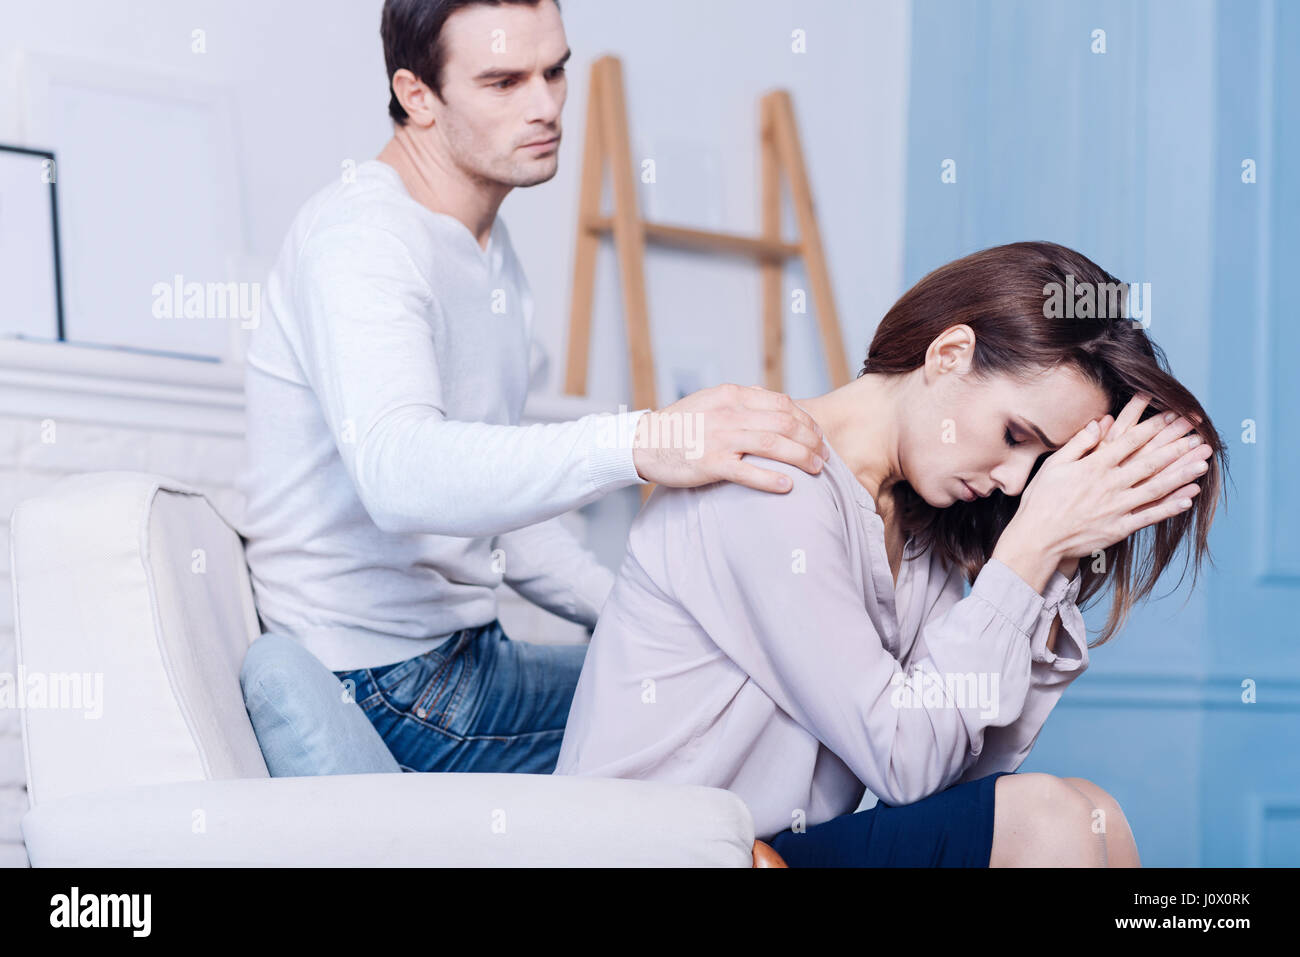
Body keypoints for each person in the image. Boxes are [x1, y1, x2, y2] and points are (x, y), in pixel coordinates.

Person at [236, 0, 830, 776]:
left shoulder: (488, 249)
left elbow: (502, 521)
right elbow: (400, 475)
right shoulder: (364, 241)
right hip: (385, 678)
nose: (546, 105)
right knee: (736, 701)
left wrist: (634, 609)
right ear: (417, 94)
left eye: (554, 71)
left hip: (456, 659)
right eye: (503, 81)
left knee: (713, 668)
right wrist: (642, 440)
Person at [555, 240, 1227, 867]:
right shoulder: (771, 478)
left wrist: (1053, 564)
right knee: (1054, 819)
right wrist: (1029, 546)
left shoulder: (920, 520)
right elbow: (905, 760)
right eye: (1015, 433)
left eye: (1042, 462)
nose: (1017, 482)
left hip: (773, 846)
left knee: (1095, 813)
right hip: (656, 852)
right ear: (949, 354)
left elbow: (964, 774)